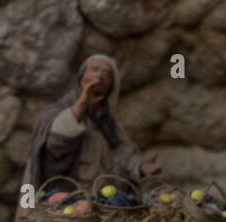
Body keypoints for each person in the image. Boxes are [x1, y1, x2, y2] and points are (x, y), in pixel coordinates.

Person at [22, 54, 160, 192]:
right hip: (68, 196)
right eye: (94, 69)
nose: (99, 76)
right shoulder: (55, 113)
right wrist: (83, 103)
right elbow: (57, 144)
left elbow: (120, 152)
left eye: (106, 74)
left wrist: (140, 165)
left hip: (101, 197)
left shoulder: (109, 121)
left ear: (111, 86)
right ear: (82, 76)